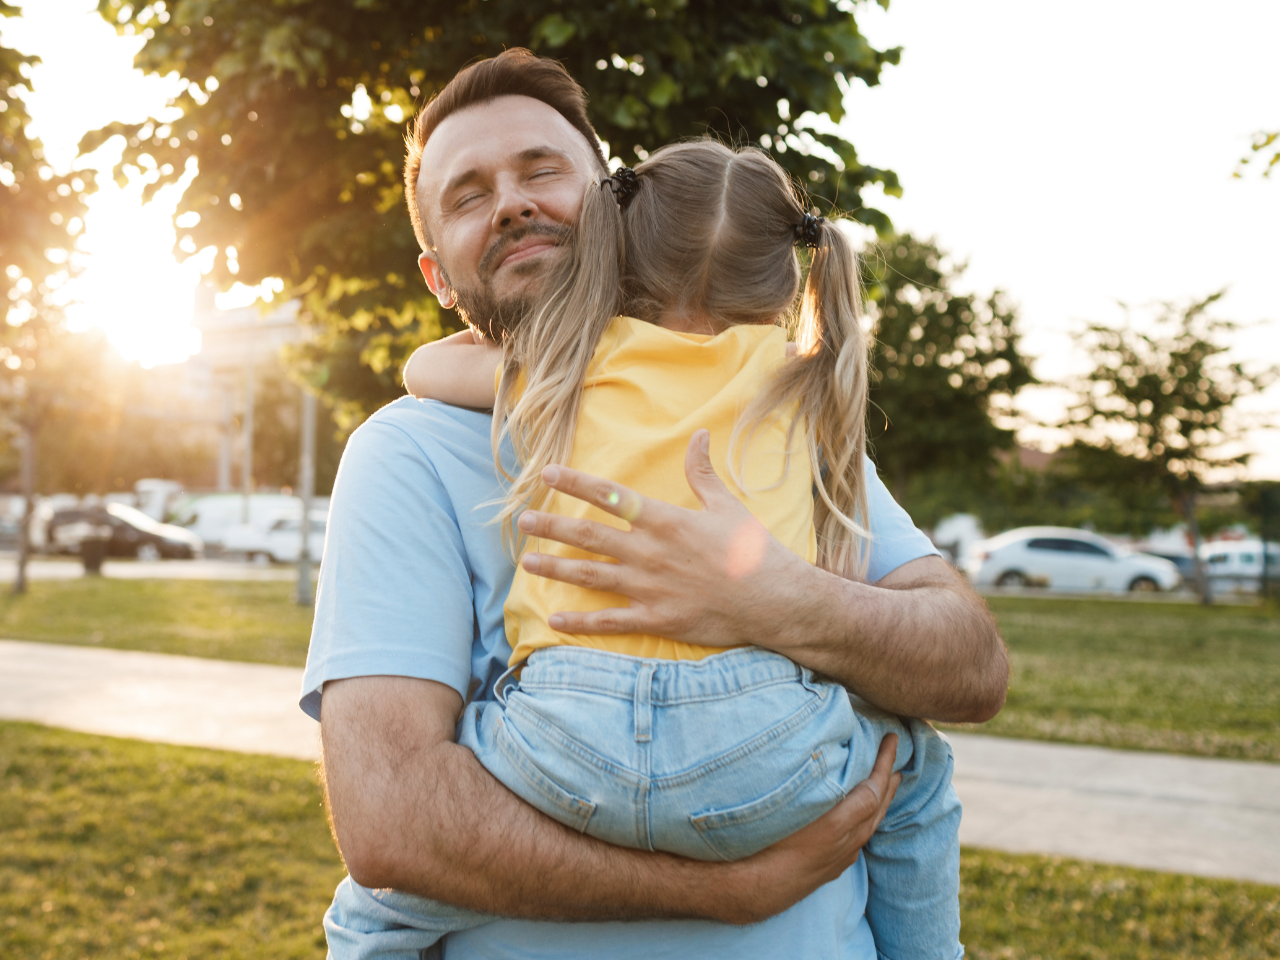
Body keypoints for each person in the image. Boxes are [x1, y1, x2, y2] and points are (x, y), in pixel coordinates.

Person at [303, 49, 1007, 960]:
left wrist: (775, 599)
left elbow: (972, 668)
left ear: (616, 207)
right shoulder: (408, 453)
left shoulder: (778, 418)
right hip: (772, 771)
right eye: (469, 195)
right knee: (912, 763)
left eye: (541, 171)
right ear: (439, 278)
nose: (511, 203)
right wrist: (725, 890)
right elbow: (392, 819)